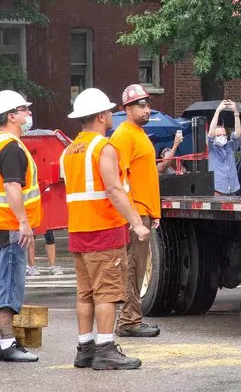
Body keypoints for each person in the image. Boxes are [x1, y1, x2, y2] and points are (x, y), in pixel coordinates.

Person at [62, 88, 148, 370]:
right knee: (107, 294)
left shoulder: (69, 151)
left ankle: (85, 348)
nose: (112, 115)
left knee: (85, 294)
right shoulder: (104, 148)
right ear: (100, 116)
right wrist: (136, 222)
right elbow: (113, 189)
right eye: (109, 112)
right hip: (104, 231)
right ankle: (105, 349)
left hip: (78, 231)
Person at [110, 84, 162, 339]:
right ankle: (129, 321)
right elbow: (119, 180)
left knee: (138, 268)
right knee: (133, 268)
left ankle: (131, 318)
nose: (147, 108)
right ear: (127, 108)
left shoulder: (138, 133)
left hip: (143, 211)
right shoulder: (124, 135)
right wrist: (133, 218)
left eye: (147, 103)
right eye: (141, 105)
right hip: (135, 213)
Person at [0, 90, 42, 362]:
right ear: (11, 115)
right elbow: (13, 186)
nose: (28, 114)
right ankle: (6, 344)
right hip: (10, 227)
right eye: (24, 110)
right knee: (9, 287)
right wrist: (24, 223)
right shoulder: (11, 147)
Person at [207, 100, 241, 196]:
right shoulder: (211, 148)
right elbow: (210, 133)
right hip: (218, 190)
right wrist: (218, 111)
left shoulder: (230, 146)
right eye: (218, 135)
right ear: (214, 137)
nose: (222, 137)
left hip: (233, 189)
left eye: (223, 134)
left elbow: (238, 134)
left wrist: (236, 113)